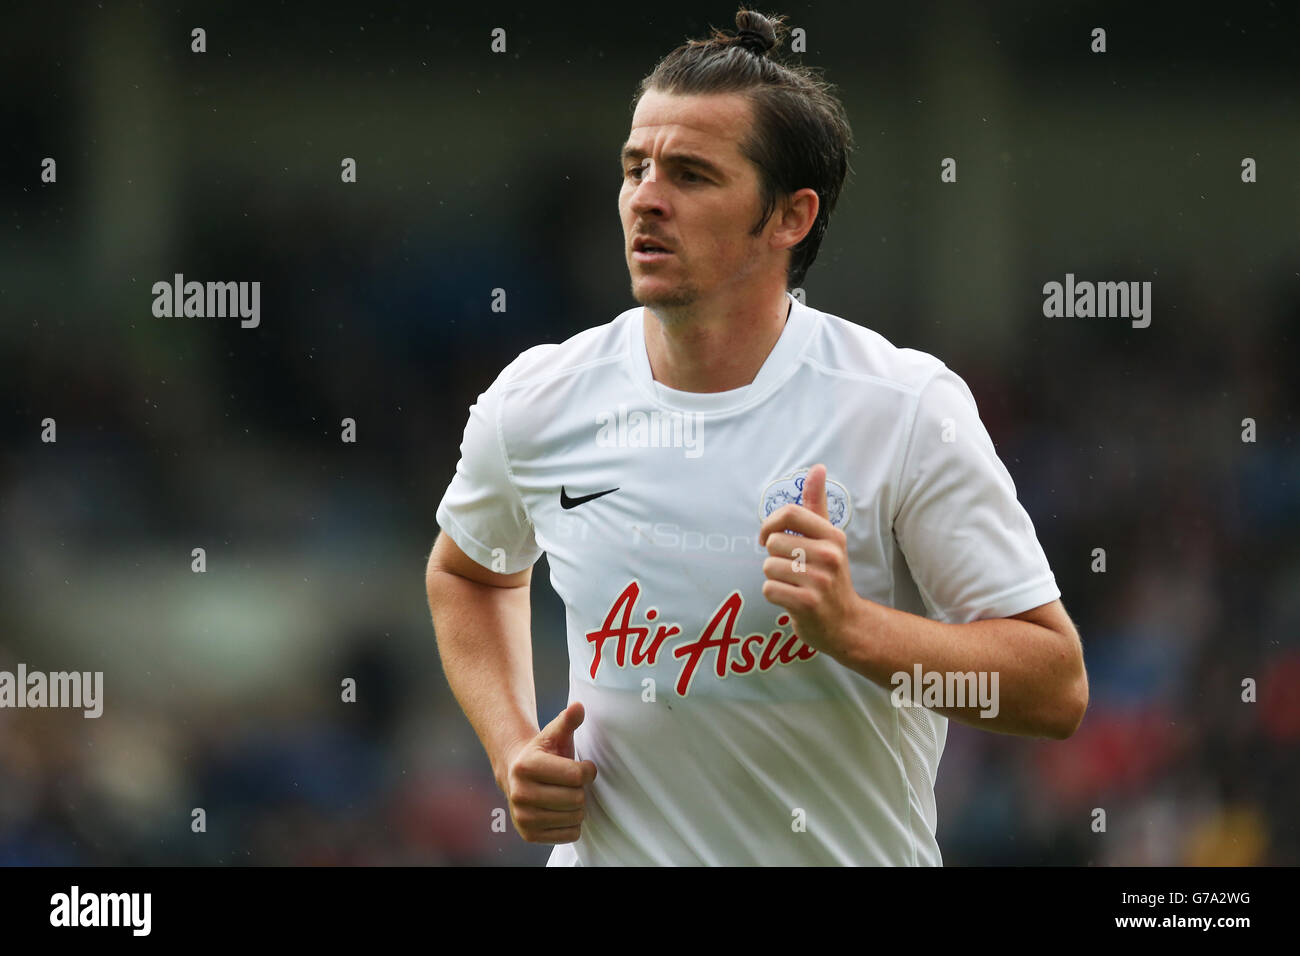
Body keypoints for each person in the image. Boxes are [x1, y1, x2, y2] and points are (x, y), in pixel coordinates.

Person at [426, 7, 1087, 865]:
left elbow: (1054, 688)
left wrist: (856, 631)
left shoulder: (903, 407)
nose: (647, 199)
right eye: (635, 168)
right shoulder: (539, 399)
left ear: (790, 216)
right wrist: (512, 744)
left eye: (692, 175)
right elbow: (467, 571)